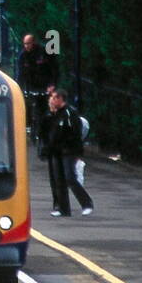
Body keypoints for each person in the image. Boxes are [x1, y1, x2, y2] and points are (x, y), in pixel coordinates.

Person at [42, 88, 94, 218]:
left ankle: (87, 203)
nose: (52, 101)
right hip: (56, 151)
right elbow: (46, 130)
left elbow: (74, 134)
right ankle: (63, 209)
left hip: (68, 151)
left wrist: (77, 152)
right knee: (59, 180)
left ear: (61, 99)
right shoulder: (53, 114)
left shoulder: (69, 113)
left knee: (70, 177)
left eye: (54, 98)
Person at [17, 33, 59, 141]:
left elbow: (53, 69)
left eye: (28, 43)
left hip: (44, 86)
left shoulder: (43, 52)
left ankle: (47, 129)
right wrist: (20, 89)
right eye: (25, 44)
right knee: (29, 107)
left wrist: (52, 85)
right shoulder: (23, 56)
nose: (26, 46)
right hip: (31, 86)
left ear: (33, 43)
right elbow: (20, 74)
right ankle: (30, 128)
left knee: (46, 107)